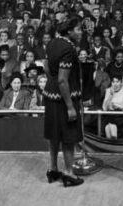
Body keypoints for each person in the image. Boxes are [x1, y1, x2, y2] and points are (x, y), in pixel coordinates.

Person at [43, 20, 84, 187]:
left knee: (54, 135)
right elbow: (62, 80)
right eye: (78, 29)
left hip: (50, 95)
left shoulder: (52, 42)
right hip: (64, 98)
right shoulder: (68, 48)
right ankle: (69, 173)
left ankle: (53, 170)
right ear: (69, 32)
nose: (81, 32)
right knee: (68, 136)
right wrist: (70, 106)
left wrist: (51, 79)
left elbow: (46, 66)